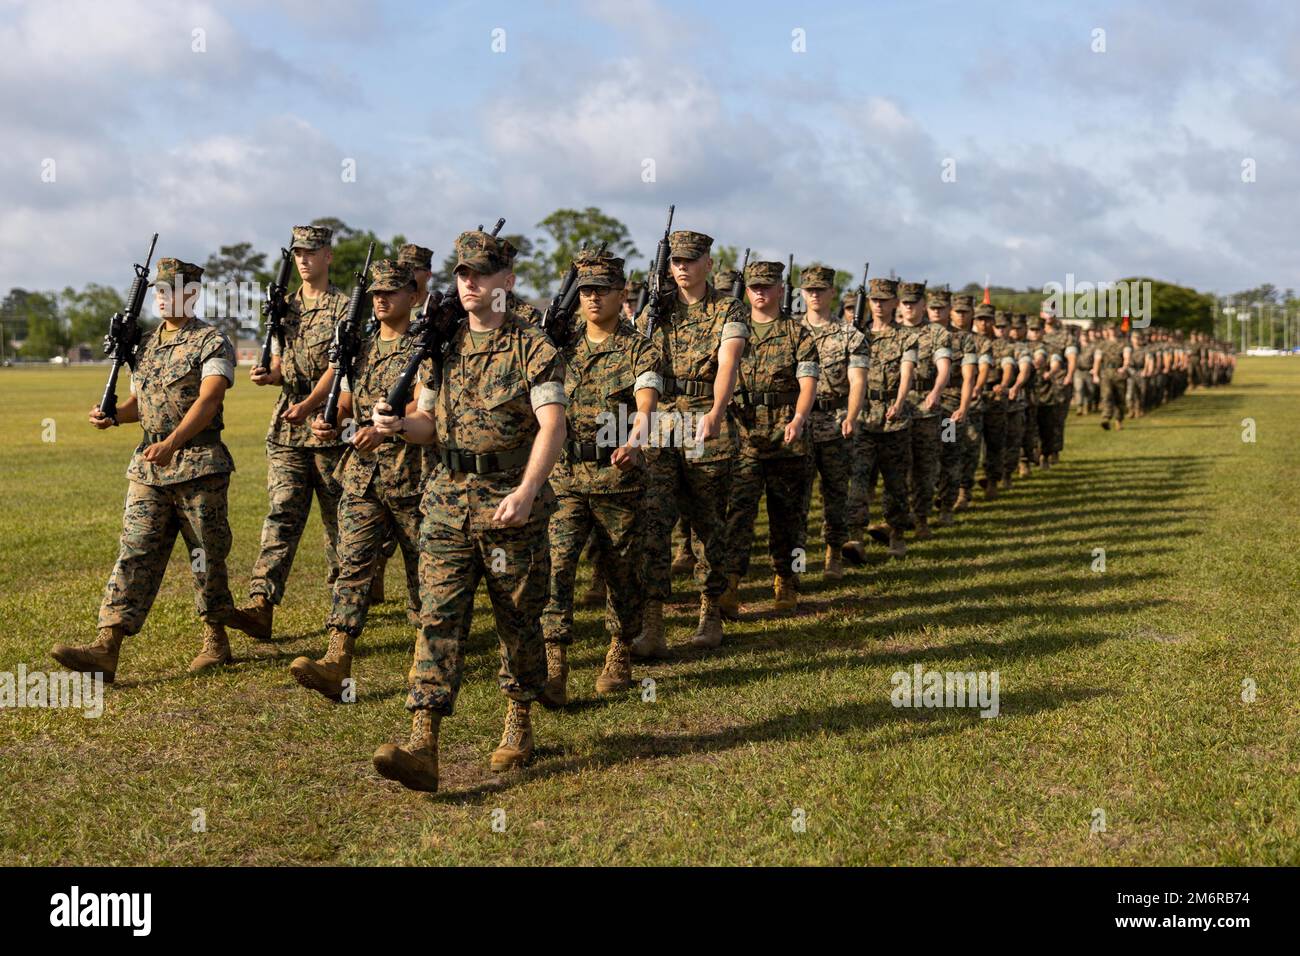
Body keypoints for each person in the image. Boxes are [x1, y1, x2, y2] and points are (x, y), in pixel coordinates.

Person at [369, 228, 567, 791]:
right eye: (463, 274)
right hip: (448, 501)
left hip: (510, 505)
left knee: (518, 619)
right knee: (438, 616)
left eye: (482, 273)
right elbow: (428, 423)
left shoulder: (533, 347)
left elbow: (553, 425)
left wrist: (529, 489)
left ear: (507, 280)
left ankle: (519, 718)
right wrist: (399, 426)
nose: (471, 282)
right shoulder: (442, 344)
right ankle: (423, 743)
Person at [52, 257, 239, 681]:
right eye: (158, 288)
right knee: (135, 550)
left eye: (170, 289)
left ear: (191, 294)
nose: (160, 295)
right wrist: (113, 416)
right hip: (150, 469)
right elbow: (142, 403)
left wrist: (173, 442)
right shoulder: (145, 346)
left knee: (204, 556)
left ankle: (216, 639)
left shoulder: (211, 342)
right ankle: (106, 647)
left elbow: (208, 400)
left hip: (198, 466)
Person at [288, 259, 429, 702]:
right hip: (363, 478)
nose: (382, 300)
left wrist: (386, 426)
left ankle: (426, 661)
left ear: (414, 296)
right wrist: (331, 420)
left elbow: (428, 406)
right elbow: (348, 395)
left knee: (423, 573)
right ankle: (337, 657)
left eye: (391, 292)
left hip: (414, 477)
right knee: (352, 565)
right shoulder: (361, 347)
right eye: (376, 294)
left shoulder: (426, 347)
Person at [540, 251, 662, 704]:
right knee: (557, 567)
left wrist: (635, 439)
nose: (593, 298)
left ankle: (618, 649)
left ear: (621, 293)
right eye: (586, 290)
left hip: (617, 479)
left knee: (620, 571)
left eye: (602, 290)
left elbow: (647, 401)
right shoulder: (559, 343)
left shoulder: (638, 348)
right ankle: (555, 659)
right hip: (566, 477)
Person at [632, 229, 748, 657]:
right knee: (654, 522)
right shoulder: (656, 307)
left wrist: (717, 411)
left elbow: (728, 361)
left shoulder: (727, 307)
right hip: (661, 424)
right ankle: (653, 622)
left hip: (703, 419)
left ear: (708, 264)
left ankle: (709, 610)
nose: (681, 267)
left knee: (707, 526)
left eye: (690, 260)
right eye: (675, 261)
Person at [232, 225, 347, 640]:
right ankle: (261, 604)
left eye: (312, 252)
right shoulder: (284, 307)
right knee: (282, 513)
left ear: (328, 256)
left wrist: (312, 403)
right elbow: (281, 361)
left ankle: (342, 616)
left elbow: (340, 366)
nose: (304, 259)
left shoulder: (343, 308)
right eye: (299, 252)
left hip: (329, 422)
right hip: (288, 424)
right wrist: (268, 374)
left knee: (339, 523)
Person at [719, 260, 819, 615]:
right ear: (746, 291)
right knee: (737, 516)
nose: (760, 292)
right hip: (743, 438)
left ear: (780, 290)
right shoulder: (733, 331)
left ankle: (788, 581)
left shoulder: (798, 334)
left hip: (786, 438)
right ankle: (729, 583)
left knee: (790, 518)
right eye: (754, 286)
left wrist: (800, 417)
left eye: (767, 286)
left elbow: (808, 384)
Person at [798, 264, 867, 579]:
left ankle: (833, 554)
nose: (815, 295)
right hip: (798, 425)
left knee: (835, 494)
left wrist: (851, 416)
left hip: (835, 421)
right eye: (809, 290)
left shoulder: (850, 335)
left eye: (820, 290)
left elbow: (857, 381)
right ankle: (794, 564)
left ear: (831, 293)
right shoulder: (791, 331)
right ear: (802, 293)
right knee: (795, 499)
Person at [842, 278, 915, 561]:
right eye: (875, 300)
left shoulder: (905, 337)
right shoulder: (857, 335)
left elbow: (907, 372)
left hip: (894, 419)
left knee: (895, 481)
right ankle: (855, 536)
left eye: (885, 300)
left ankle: (896, 533)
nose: (880, 305)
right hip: (863, 417)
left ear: (895, 302)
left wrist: (898, 402)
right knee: (859, 480)